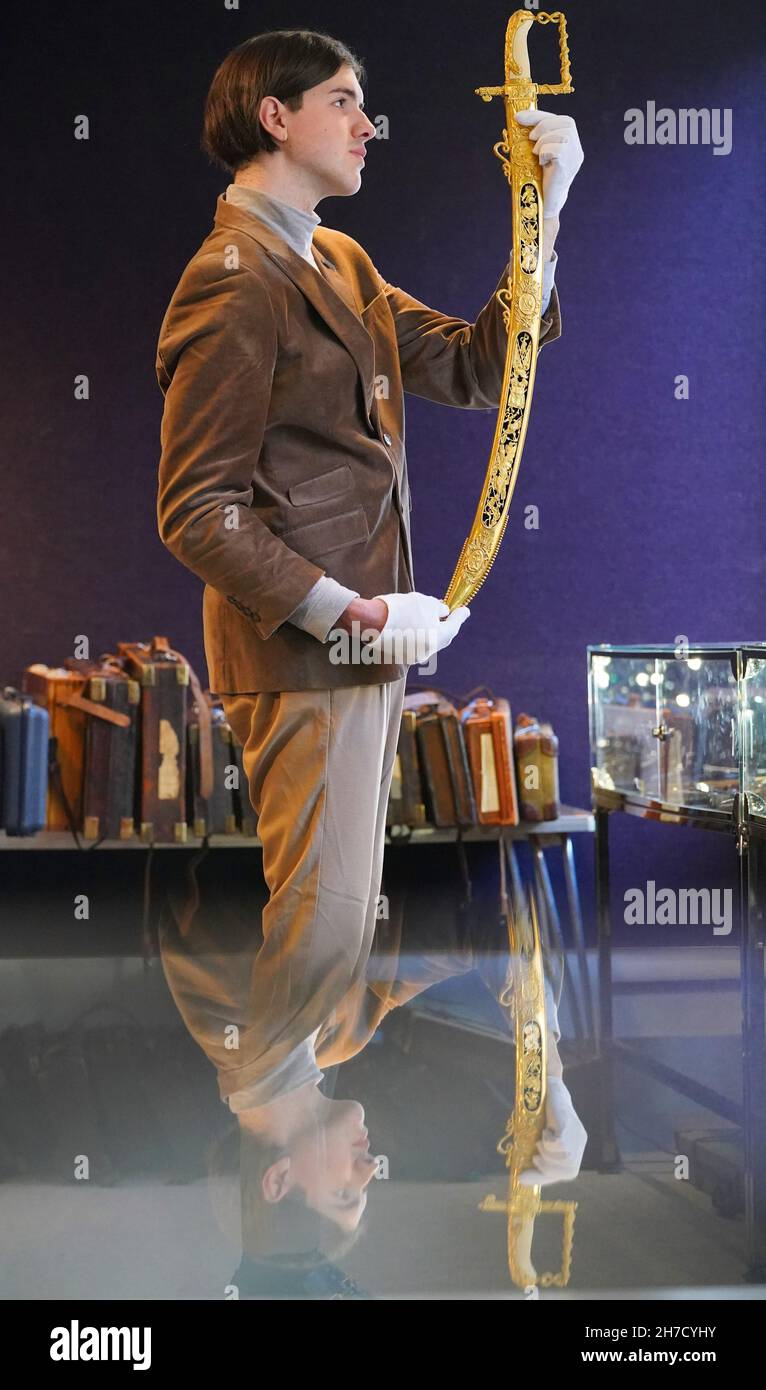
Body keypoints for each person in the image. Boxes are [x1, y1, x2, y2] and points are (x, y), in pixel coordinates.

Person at [155, 27, 585, 1285]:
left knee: (333, 929)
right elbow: (196, 509)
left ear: (283, 1179)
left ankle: (295, 1080)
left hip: (340, 653)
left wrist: (542, 219)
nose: (365, 123)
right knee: (333, 917)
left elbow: (469, 365)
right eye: (346, 102)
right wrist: (346, 608)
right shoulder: (230, 278)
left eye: (336, 1197)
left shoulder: (329, 258)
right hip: (306, 653)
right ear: (274, 117)